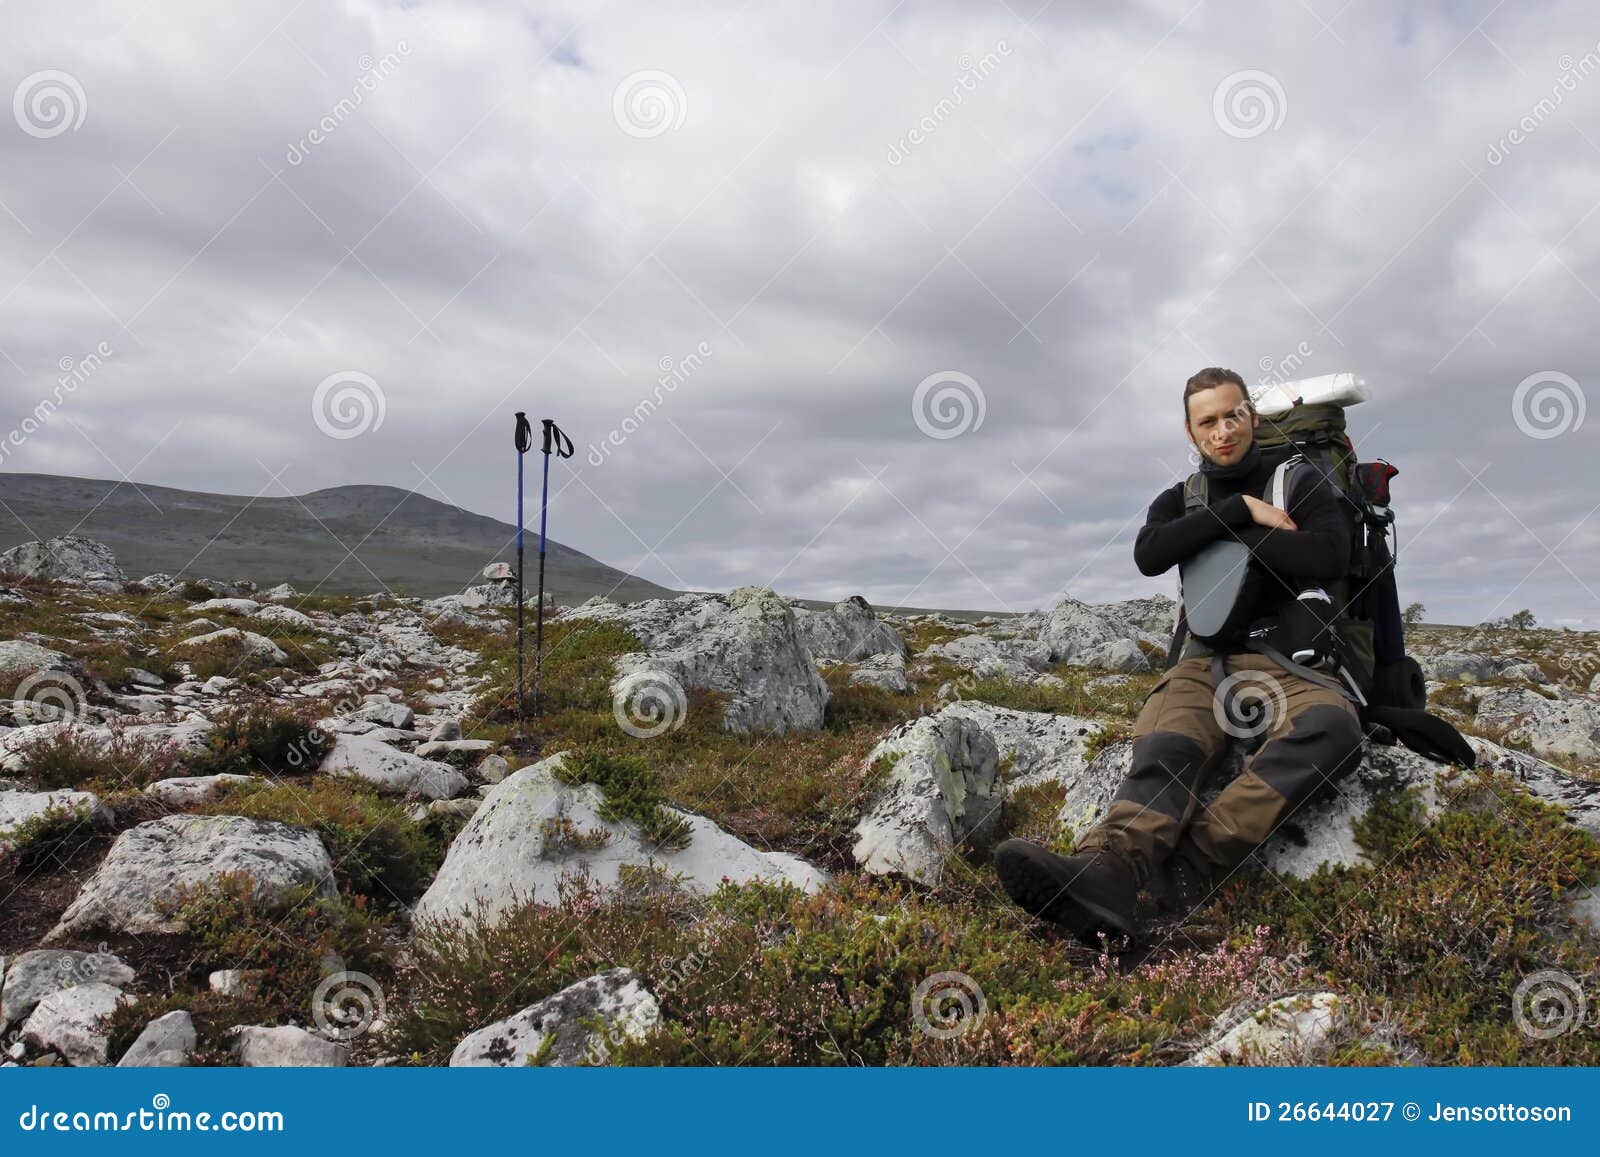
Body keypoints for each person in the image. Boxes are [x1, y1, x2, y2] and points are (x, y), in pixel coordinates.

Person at [993, 367, 1366, 941]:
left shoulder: (1302, 480)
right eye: (1208, 422)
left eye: (1233, 415)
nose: (1223, 431)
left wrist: (1228, 535)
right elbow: (1150, 553)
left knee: (1331, 730)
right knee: (1168, 747)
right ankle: (1108, 869)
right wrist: (1239, 512)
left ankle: (1184, 872)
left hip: (1290, 663)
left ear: (1252, 416)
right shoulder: (1182, 498)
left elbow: (1330, 556)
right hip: (1203, 662)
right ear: (1190, 433)